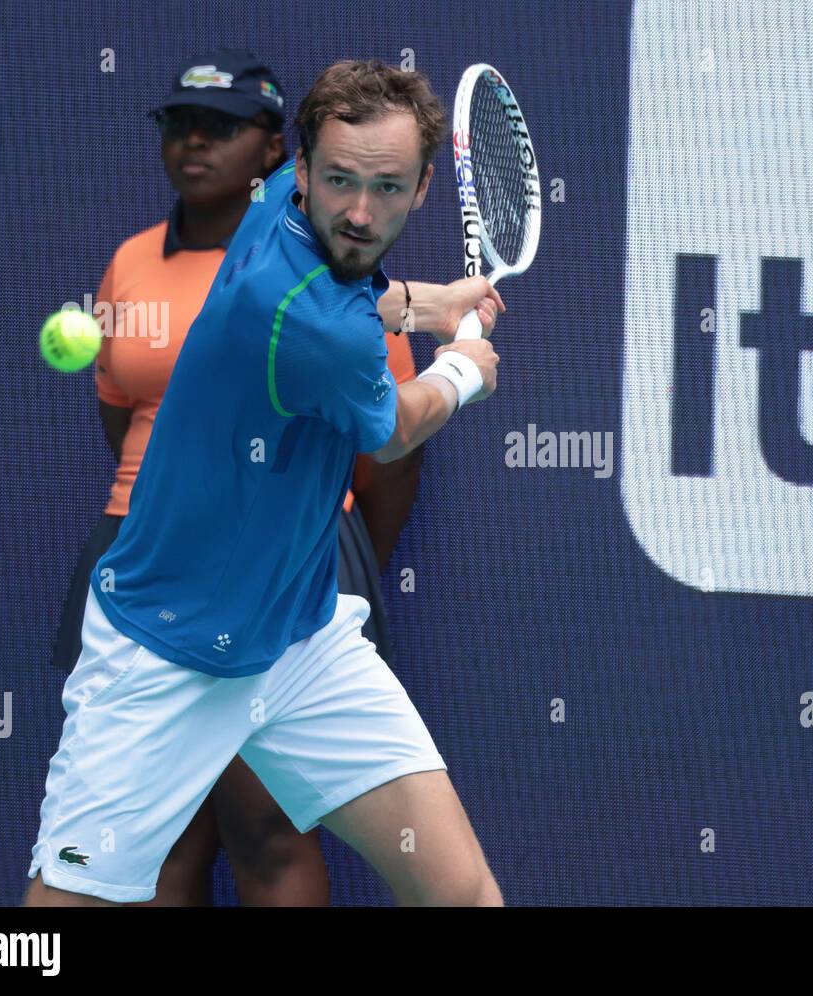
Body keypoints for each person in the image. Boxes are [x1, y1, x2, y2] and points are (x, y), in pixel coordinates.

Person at [41, 52, 502, 906]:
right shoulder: (316, 331)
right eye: (341, 182)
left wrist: (426, 303)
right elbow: (396, 428)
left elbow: (354, 278)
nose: (362, 212)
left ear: (425, 186)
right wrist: (465, 368)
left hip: (301, 640)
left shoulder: (272, 209)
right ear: (305, 168)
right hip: (162, 651)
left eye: (389, 188)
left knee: (462, 894)